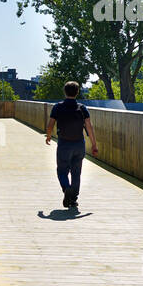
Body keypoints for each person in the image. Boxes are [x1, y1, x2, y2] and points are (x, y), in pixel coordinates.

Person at [45, 81, 99, 209]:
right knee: (76, 172)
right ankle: (73, 199)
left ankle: (66, 188)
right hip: (79, 144)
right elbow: (89, 127)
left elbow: (51, 124)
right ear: (77, 92)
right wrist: (94, 145)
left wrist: (48, 136)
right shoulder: (82, 108)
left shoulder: (58, 107)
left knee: (62, 170)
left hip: (64, 144)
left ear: (65, 92)